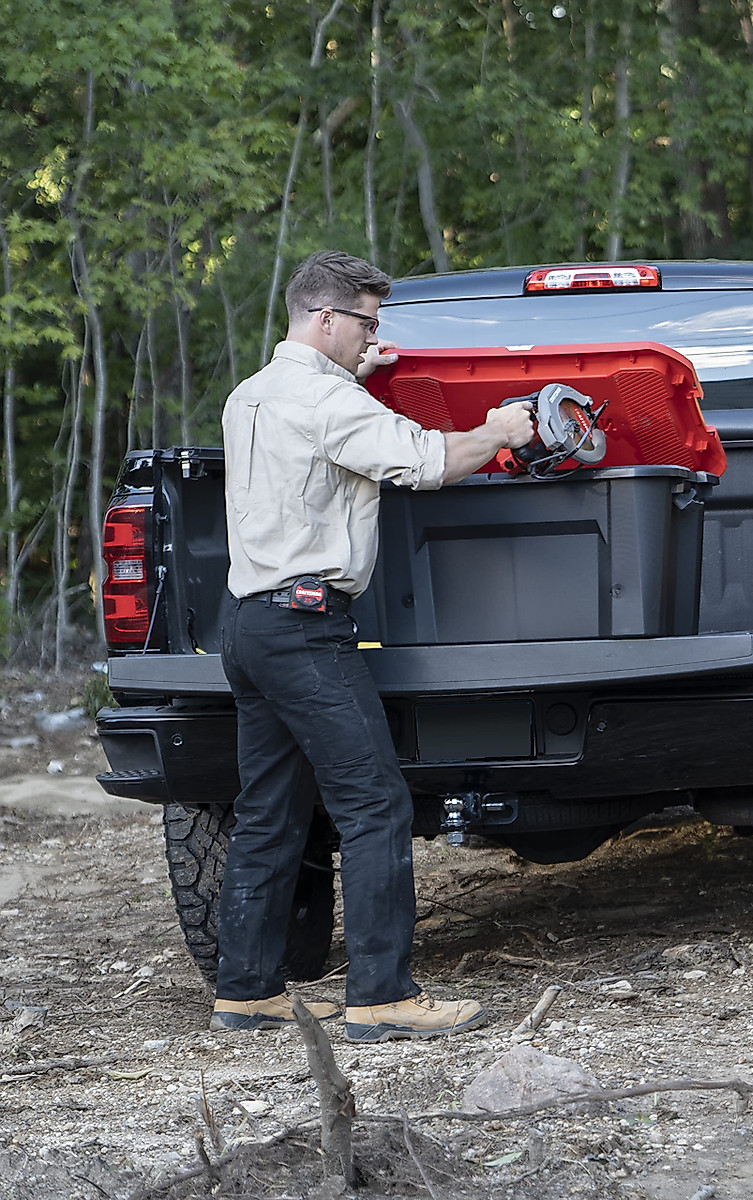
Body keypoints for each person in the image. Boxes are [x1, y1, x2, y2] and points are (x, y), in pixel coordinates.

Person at [210, 250, 535, 1042]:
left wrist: (361, 373)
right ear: (326, 318)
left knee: (269, 808)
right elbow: (428, 461)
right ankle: (382, 995)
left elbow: (321, 425)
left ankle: (248, 989)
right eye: (365, 323)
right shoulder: (328, 402)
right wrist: (496, 430)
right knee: (374, 804)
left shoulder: (251, 396)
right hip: (306, 629)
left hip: (249, 625)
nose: (371, 337)